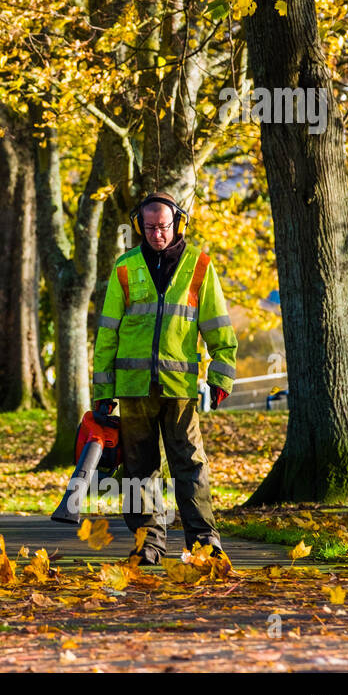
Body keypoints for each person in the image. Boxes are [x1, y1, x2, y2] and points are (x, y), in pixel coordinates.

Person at [91, 192, 238, 564]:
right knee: (139, 471)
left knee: (190, 464)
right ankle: (148, 545)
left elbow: (219, 327)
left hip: (180, 389)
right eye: (151, 227)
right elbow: (108, 332)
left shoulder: (200, 266)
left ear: (178, 224)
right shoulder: (124, 268)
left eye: (164, 227)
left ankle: (204, 544)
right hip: (133, 389)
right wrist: (103, 391)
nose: (158, 234)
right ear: (139, 226)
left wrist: (221, 376)